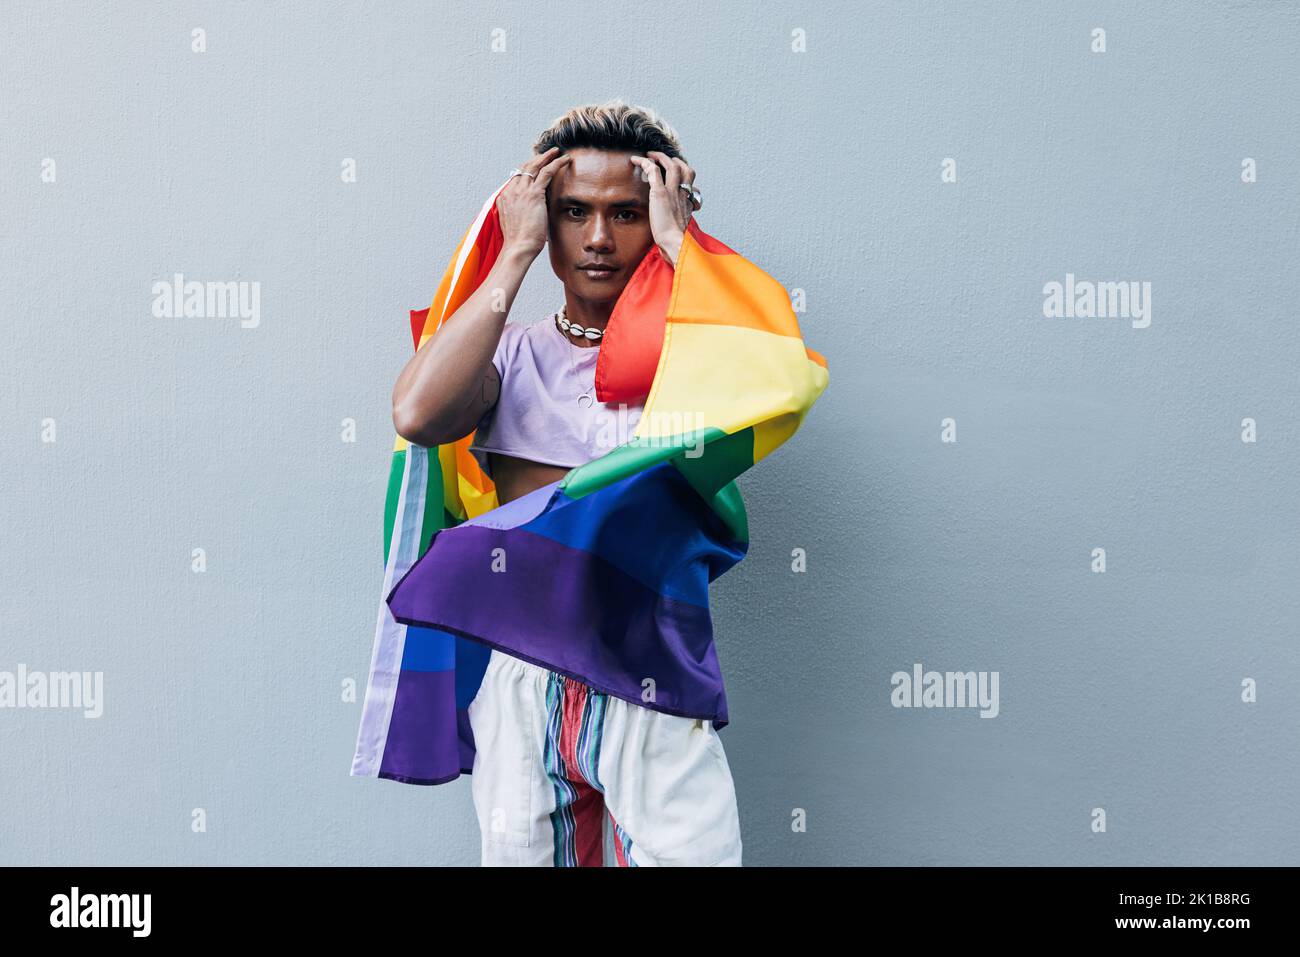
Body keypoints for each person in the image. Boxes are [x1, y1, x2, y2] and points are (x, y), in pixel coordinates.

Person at [390, 101, 742, 867]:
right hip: (525, 673)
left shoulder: (696, 361)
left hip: (655, 670)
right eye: (572, 212)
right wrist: (511, 256)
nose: (598, 239)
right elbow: (417, 412)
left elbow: (761, 396)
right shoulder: (508, 359)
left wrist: (683, 245)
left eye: (627, 213)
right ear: (544, 220)